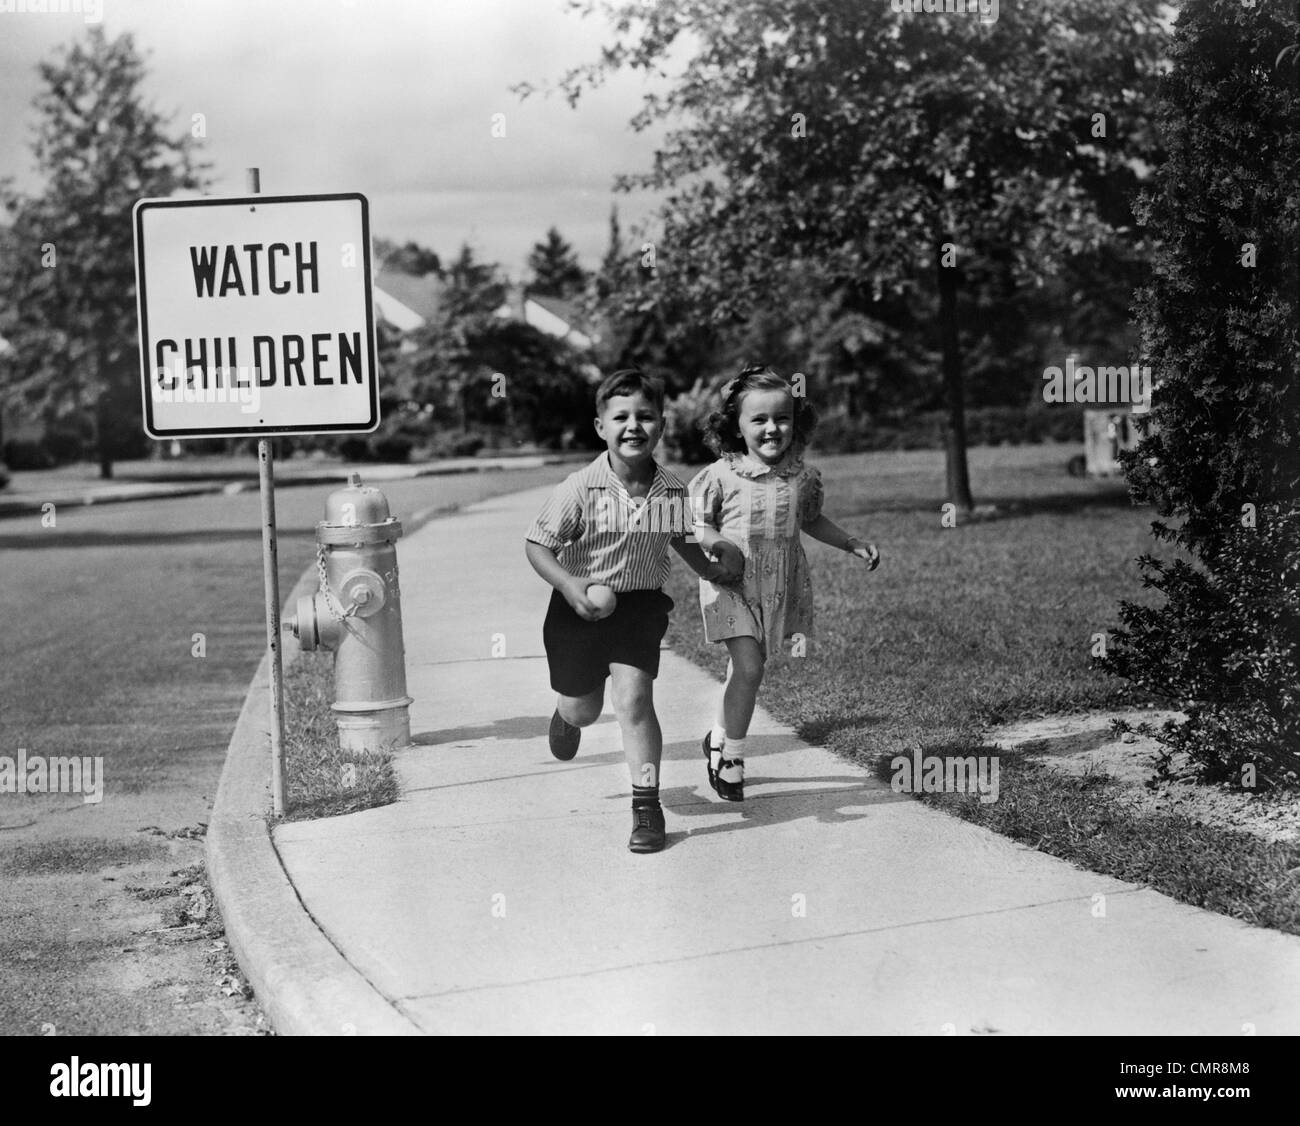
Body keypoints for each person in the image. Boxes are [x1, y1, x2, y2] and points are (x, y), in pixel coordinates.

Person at [525, 368, 745, 852]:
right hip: (577, 607)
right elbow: (537, 545)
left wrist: (712, 569)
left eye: (645, 416)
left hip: (639, 608)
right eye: (620, 416)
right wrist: (569, 584)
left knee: (634, 703)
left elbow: (681, 539)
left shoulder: (669, 490)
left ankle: (646, 807)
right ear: (600, 427)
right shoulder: (581, 488)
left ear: (661, 425)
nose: (633, 426)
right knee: (584, 709)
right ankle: (566, 714)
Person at [691, 364, 880, 801]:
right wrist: (716, 541)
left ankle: (718, 736)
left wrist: (851, 543)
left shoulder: (801, 476)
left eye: (782, 418)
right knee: (750, 669)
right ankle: (732, 759)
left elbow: (810, 519)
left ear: (797, 423)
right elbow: (694, 523)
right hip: (731, 583)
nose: (772, 428)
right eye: (759, 419)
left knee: (743, 671)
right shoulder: (721, 474)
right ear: (736, 426)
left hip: (777, 585)